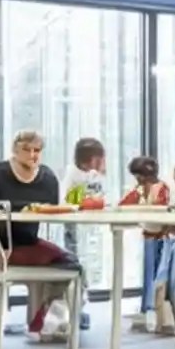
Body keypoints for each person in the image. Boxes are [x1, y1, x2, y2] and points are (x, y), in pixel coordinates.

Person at [0, 130, 82, 341]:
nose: (33, 154)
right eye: (27, 149)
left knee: (72, 264)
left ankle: (44, 321)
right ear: (15, 150)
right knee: (66, 263)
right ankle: (41, 323)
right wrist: (28, 207)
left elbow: (52, 208)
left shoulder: (47, 177)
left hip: (28, 243)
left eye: (37, 150)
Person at [119, 157, 174, 333]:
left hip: (161, 236)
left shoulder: (161, 189)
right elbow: (125, 204)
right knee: (148, 275)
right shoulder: (139, 191)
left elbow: (162, 208)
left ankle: (162, 316)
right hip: (149, 235)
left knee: (161, 276)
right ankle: (145, 310)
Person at [59, 137, 104, 331]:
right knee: (77, 269)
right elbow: (73, 202)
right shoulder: (73, 176)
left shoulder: (90, 175)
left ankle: (79, 309)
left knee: (84, 270)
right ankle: (74, 311)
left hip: (87, 231)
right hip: (74, 230)